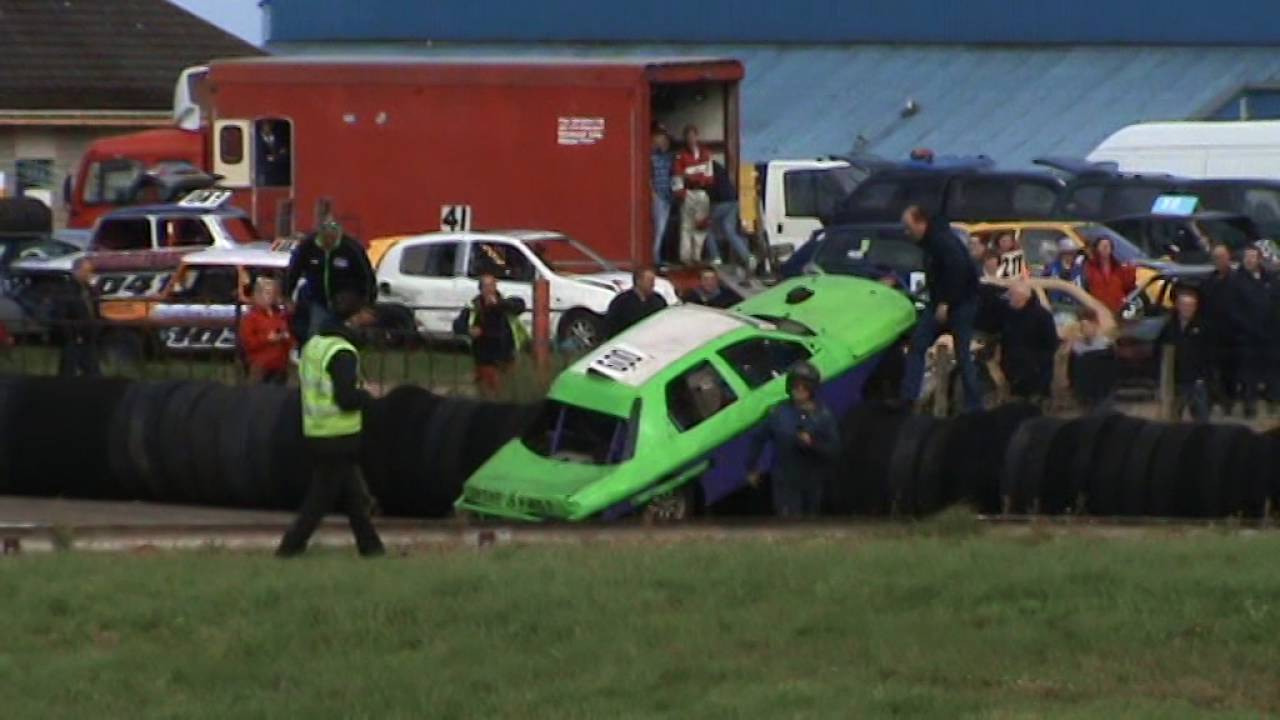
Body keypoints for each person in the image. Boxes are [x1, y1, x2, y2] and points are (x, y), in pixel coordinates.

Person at [277, 291, 385, 558]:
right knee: (320, 499)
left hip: (315, 428)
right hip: (339, 433)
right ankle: (290, 547)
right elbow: (346, 398)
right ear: (353, 318)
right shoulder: (342, 352)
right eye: (363, 315)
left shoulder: (314, 345)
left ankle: (372, 549)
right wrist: (369, 396)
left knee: (352, 497)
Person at [899, 205, 983, 412]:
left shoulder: (942, 241)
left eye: (909, 227)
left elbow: (959, 271)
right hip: (938, 302)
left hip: (960, 303)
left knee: (963, 355)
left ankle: (975, 406)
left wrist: (946, 302)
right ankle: (908, 396)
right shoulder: (930, 242)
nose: (906, 233)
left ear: (921, 223)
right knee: (917, 344)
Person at [746, 362, 839, 518]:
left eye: (805, 386)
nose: (800, 390)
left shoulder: (824, 416)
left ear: (812, 388)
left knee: (809, 522)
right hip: (785, 480)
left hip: (812, 480)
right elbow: (757, 438)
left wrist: (813, 444)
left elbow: (834, 448)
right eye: (796, 385)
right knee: (789, 522)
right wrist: (751, 468)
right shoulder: (777, 413)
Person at [284, 218, 377, 343]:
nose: (330, 242)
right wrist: (287, 296)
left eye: (333, 239)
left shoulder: (351, 248)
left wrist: (367, 306)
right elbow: (293, 271)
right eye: (326, 239)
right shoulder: (308, 246)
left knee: (346, 337)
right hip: (319, 301)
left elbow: (367, 277)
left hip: (347, 304)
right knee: (316, 335)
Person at [454, 274, 529, 398]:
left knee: (509, 386)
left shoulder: (506, 303)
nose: (489, 289)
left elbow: (520, 306)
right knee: (491, 388)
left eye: (492, 286)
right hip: (484, 353)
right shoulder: (473, 306)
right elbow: (458, 325)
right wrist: (469, 330)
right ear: (480, 289)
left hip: (506, 350)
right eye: (486, 286)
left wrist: (498, 303)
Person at [1230, 244, 1274, 418]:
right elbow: (1234, 309)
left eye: (1253, 256)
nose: (1249, 260)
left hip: (1269, 335)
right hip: (1247, 336)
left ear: (1259, 258)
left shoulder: (1269, 278)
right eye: (1247, 257)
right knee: (1249, 374)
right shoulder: (1237, 281)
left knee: (1271, 371)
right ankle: (1250, 405)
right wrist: (1248, 327)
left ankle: (1273, 401)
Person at [998, 281, 1059, 402]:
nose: (1008, 299)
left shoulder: (1042, 316)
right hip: (1014, 372)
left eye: (1011, 295)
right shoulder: (1009, 314)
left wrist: (1036, 364)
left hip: (1036, 373)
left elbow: (1051, 343)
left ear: (1021, 297)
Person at [1158, 289, 1211, 422]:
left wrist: (1203, 376)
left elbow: (1210, 355)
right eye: (1184, 304)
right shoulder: (1169, 327)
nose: (1187, 308)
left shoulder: (1203, 327)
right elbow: (1160, 351)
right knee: (1173, 417)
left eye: (1190, 305)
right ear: (1178, 306)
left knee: (1201, 419)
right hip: (1176, 381)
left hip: (1197, 381)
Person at [1200, 244, 1238, 415]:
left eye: (1222, 257)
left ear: (1228, 258)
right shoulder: (1208, 282)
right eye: (1216, 257)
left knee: (1230, 371)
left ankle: (1229, 401)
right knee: (1211, 370)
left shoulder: (1238, 281)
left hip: (1232, 335)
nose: (1219, 261)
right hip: (1212, 335)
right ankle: (1214, 400)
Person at [673, 125, 715, 264]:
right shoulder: (681, 155)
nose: (691, 139)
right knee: (686, 226)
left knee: (700, 226)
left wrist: (692, 175)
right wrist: (681, 193)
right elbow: (677, 176)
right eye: (688, 136)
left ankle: (697, 256)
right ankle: (685, 257)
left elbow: (709, 176)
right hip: (688, 192)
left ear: (697, 137)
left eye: (693, 136)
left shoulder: (705, 154)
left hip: (702, 192)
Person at [239, 277, 293, 384]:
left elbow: (290, 338)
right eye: (268, 293)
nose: (272, 297)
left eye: (274, 293)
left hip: (280, 366)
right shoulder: (251, 317)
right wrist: (267, 339)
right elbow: (248, 343)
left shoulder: (280, 315)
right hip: (261, 366)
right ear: (258, 294)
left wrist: (286, 338)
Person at [56, 258, 101, 377]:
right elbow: (62, 313)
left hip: (89, 335)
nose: (88, 275)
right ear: (76, 271)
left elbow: (95, 308)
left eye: (90, 271)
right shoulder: (67, 289)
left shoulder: (89, 290)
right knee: (70, 370)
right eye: (85, 271)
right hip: (74, 336)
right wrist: (71, 333)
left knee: (92, 371)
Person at [705, 161, 754, 269]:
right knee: (729, 230)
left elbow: (708, 186)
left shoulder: (706, 168)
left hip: (721, 202)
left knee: (707, 228)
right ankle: (748, 257)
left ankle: (716, 257)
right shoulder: (717, 166)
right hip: (733, 200)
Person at [1068, 307, 1116, 410]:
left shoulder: (1105, 346)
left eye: (1087, 326)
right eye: (1082, 326)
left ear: (1095, 324)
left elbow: (1111, 373)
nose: (1084, 329)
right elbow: (1071, 371)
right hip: (1084, 394)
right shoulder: (1077, 348)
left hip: (1101, 394)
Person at [604, 266, 668, 337]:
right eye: (649, 281)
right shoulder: (621, 302)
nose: (652, 284)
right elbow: (611, 326)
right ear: (638, 281)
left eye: (653, 281)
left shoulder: (658, 300)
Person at [1082, 235, 1136, 315]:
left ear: (1111, 249)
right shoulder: (1089, 267)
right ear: (1097, 248)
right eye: (1102, 245)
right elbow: (1085, 289)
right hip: (1099, 312)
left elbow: (1128, 288)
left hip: (1118, 312)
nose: (1105, 247)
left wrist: (1131, 271)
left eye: (1108, 245)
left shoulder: (1119, 267)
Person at [650, 125, 675, 264]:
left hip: (668, 195)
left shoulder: (670, 157)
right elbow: (649, 176)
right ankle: (655, 257)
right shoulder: (651, 156)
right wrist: (652, 193)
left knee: (664, 228)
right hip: (658, 195)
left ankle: (659, 255)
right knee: (658, 228)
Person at [1041, 237, 1085, 305]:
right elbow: (1043, 285)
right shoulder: (1052, 267)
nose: (1070, 256)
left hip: (1075, 306)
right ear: (1061, 253)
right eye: (1067, 253)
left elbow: (1084, 287)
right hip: (1056, 304)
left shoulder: (1079, 268)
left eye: (1072, 253)